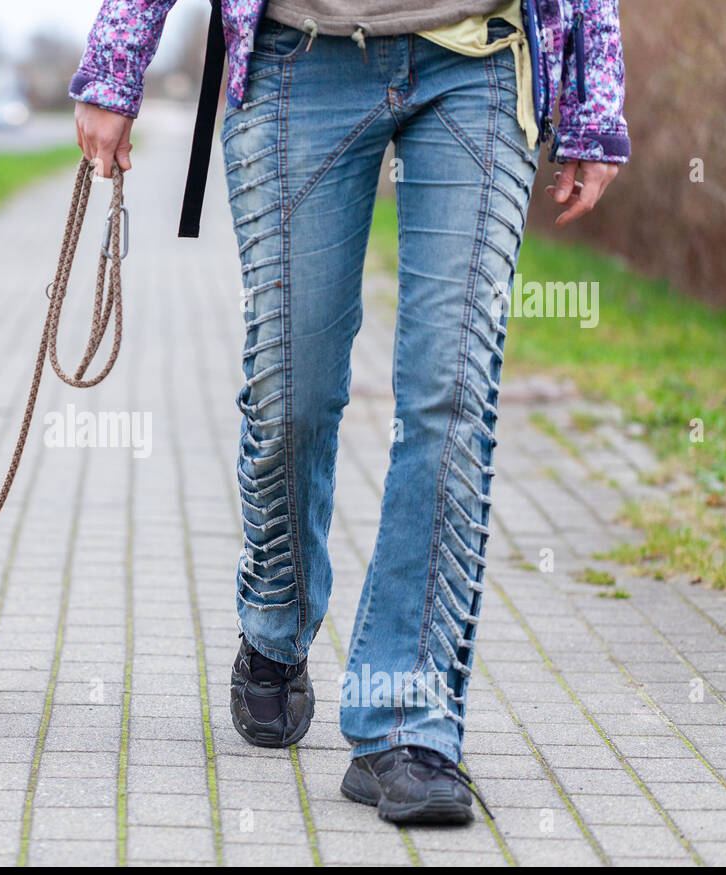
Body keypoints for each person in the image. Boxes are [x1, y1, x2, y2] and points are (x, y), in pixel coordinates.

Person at [71, 0, 628, 825]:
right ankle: (277, 618)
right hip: (300, 57)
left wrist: (594, 105)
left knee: (452, 391)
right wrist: (117, 64)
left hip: (479, 59)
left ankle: (407, 720)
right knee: (290, 391)